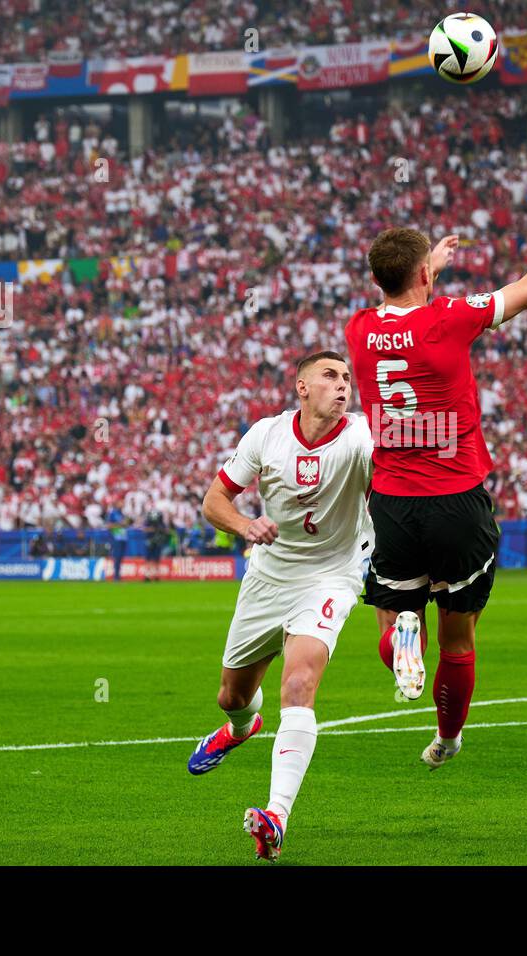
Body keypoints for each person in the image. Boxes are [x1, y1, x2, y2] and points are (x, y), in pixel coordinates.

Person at [343, 199, 527, 768]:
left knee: (399, 615)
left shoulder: (359, 330)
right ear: (424, 276)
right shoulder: (449, 318)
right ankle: (447, 738)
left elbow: (397, 301)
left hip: (393, 502)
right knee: (459, 641)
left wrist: (428, 269)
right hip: (456, 500)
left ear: (376, 280)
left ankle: (403, 639)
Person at [190, 351, 373, 862]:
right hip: (268, 578)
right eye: (330, 377)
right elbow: (213, 501)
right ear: (301, 387)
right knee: (232, 695)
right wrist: (247, 525)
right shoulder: (266, 435)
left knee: (298, 685)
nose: (343, 386)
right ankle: (241, 728)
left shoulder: (362, 439)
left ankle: (276, 815)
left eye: (347, 378)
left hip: (330, 578)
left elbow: (397, 496)